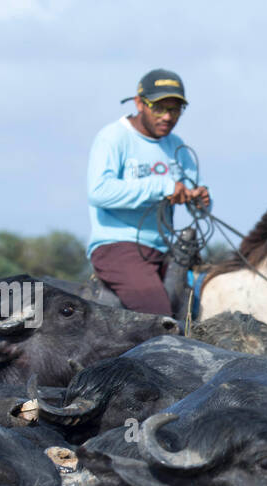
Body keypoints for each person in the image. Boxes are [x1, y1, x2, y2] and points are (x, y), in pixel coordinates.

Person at [85, 68, 210, 315]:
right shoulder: (113, 138)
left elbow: (196, 193)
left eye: (175, 110)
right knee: (160, 315)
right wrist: (162, 187)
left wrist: (201, 200)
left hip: (165, 250)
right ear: (139, 103)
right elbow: (99, 192)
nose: (167, 117)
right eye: (159, 108)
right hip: (117, 247)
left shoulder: (177, 146)